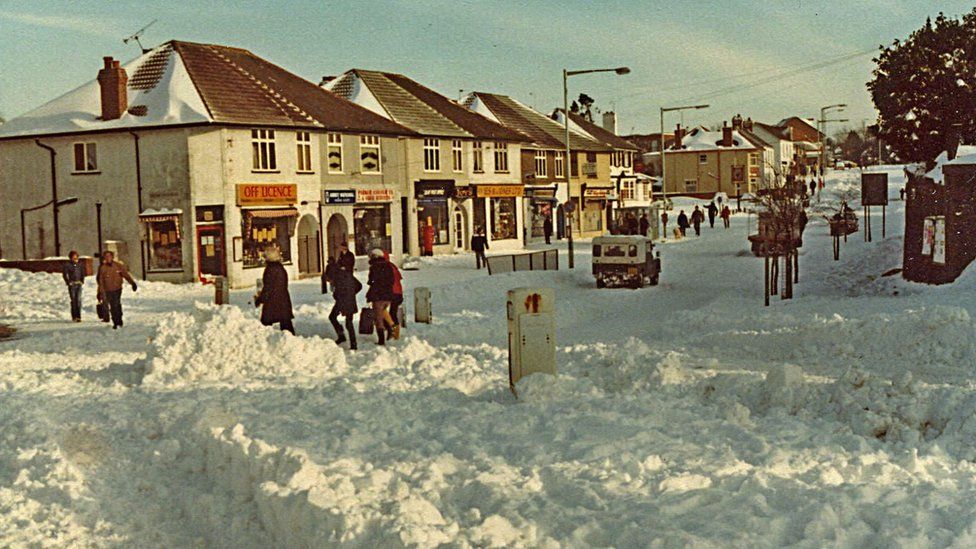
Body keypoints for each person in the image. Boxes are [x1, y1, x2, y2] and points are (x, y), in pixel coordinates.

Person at [254, 246, 294, 334]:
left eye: (265, 256)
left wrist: (260, 299)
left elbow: (268, 287)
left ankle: (264, 339)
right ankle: (290, 339)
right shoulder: (281, 268)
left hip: (272, 301)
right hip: (283, 299)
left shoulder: (270, 269)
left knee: (265, 323)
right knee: (286, 323)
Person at [96, 250, 137, 329]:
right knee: (113, 306)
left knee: (117, 304)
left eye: (109, 256)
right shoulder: (102, 268)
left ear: (112, 257)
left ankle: (119, 320)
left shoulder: (118, 266)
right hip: (108, 290)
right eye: (106, 257)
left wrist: (132, 283)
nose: (108, 258)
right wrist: (100, 292)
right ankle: (115, 322)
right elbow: (100, 281)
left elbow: (125, 274)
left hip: (117, 289)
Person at [366, 248, 396, 345]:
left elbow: (371, 281)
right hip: (388, 295)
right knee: (383, 313)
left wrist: (370, 294)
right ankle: (391, 329)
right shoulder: (388, 266)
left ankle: (381, 340)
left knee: (378, 318)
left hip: (378, 296)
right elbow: (392, 280)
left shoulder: (374, 267)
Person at [329, 267, 361, 350]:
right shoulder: (348, 274)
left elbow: (338, 292)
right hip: (350, 300)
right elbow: (359, 286)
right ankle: (353, 343)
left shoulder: (336, 277)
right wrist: (351, 293)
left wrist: (337, 296)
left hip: (341, 301)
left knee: (332, 317)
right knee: (349, 322)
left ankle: (342, 336)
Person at [62, 251, 86, 322]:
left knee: (78, 300)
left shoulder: (80, 264)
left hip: (79, 284)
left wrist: (82, 281)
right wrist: (68, 282)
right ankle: (74, 316)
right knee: (73, 300)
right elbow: (65, 274)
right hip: (72, 284)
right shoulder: (67, 265)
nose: (75, 258)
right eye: (73, 257)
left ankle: (78, 316)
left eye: (76, 257)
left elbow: (83, 273)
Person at [385, 250, 403, 339]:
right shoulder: (392, 266)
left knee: (387, 312)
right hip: (398, 293)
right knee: (392, 312)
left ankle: (394, 332)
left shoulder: (386, 267)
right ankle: (395, 333)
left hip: (393, 292)